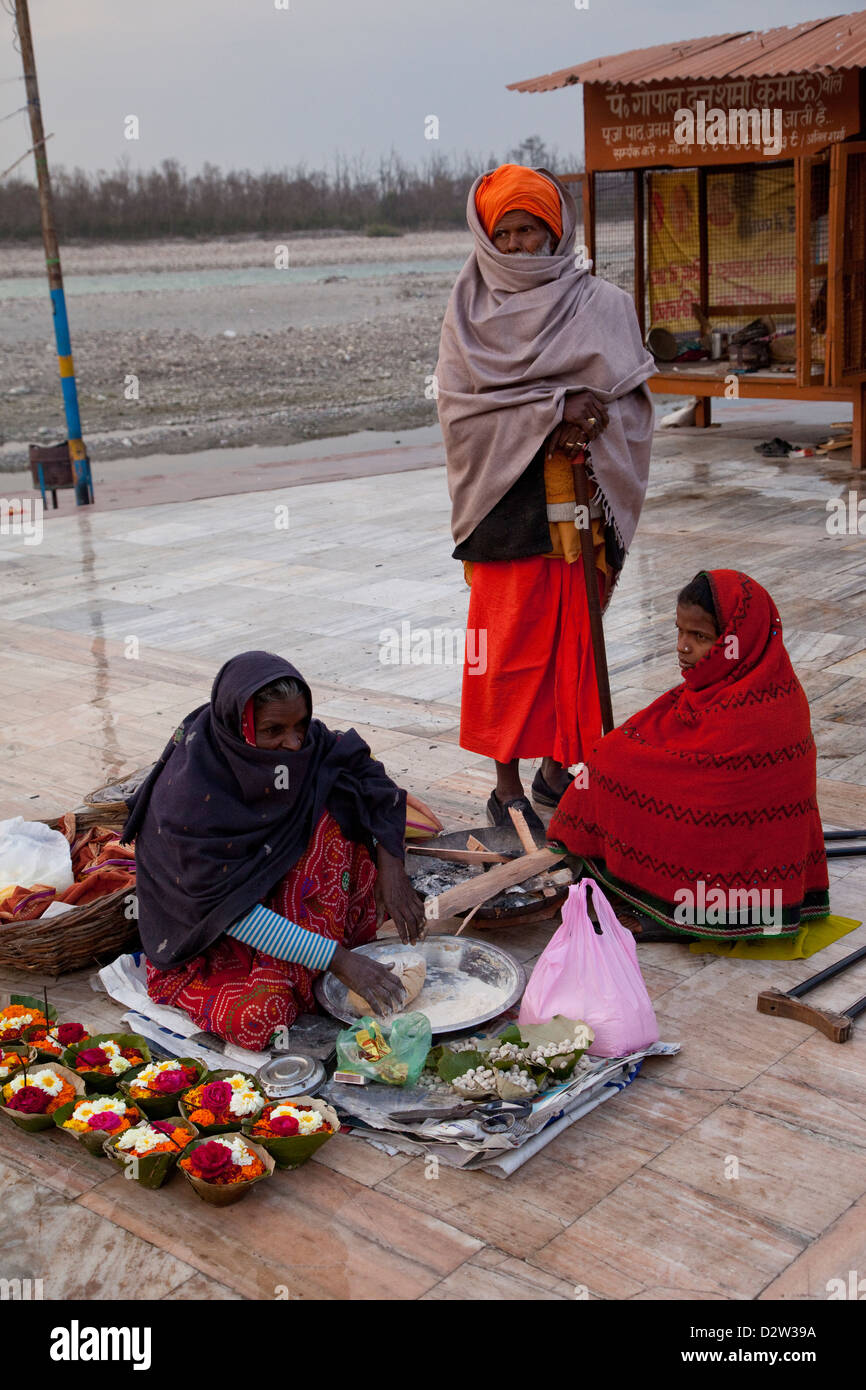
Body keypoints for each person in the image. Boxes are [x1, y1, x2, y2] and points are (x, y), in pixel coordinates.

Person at [435, 162, 656, 834]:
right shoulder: (469, 310)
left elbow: (634, 403)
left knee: (576, 644)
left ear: (556, 231)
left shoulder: (605, 304)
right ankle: (505, 789)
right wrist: (556, 408)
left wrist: (591, 419)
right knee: (505, 653)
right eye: (504, 232)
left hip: (581, 501)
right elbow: (462, 413)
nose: (515, 246)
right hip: (505, 507)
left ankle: (562, 769)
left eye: (530, 230)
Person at [121, 651, 425, 1049]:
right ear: (238, 724)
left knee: (338, 801)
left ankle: (316, 957)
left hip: (274, 888)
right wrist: (338, 960)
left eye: (300, 725)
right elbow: (226, 911)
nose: (294, 742)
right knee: (260, 1018)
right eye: (274, 731)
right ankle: (315, 962)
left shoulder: (305, 745)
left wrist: (392, 867)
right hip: (215, 932)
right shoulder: (187, 802)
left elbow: (368, 777)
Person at [548, 570, 830, 939]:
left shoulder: (764, 708)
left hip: (738, 871)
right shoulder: (721, 680)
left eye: (700, 637)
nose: (683, 646)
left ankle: (669, 906)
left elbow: (712, 789)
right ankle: (611, 869)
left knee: (631, 775)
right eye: (679, 631)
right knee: (610, 755)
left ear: (738, 640)